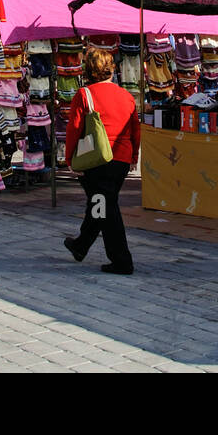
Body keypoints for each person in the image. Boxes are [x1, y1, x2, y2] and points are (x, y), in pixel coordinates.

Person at [63, 47, 140, 274]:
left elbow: (74, 129)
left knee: (106, 208)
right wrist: (134, 155)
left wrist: (70, 159)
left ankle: (121, 260)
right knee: (100, 203)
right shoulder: (126, 95)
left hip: (96, 159)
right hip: (121, 158)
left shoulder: (84, 95)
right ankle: (81, 245)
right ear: (111, 69)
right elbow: (135, 129)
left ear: (88, 71)